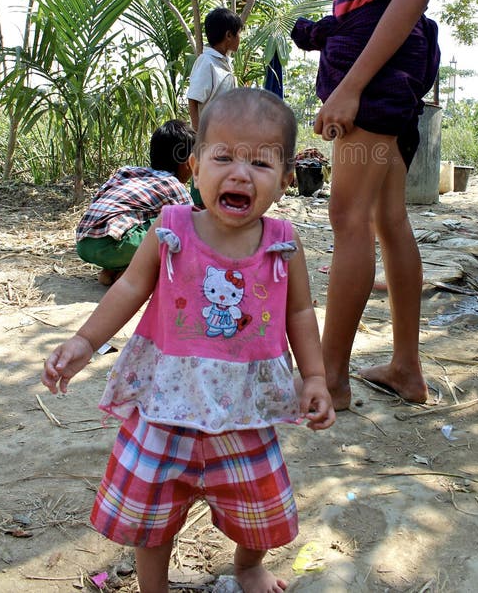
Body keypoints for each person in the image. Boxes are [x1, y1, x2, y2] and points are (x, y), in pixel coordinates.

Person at [42, 88, 335, 593]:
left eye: (260, 163)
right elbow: (130, 288)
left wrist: (314, 376)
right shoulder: (171, 228)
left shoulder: (283, 244)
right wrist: (85, 342)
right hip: (165, 407)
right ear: (195, 168)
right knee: (151, 515)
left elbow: (300, 313)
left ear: (287, 179)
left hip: (244, 411)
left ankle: (248, 566)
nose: (240, 174)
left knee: (257, 509)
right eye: (223, 158)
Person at [291, 0, 458, 409]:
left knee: (348, 216)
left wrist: (352, 86)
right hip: (370, 52)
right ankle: (406, 368)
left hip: (379, 59)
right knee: (387, 217)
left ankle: (331, 377)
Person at [76, 120, 194, 286]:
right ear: (188, 164)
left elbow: (99, 199)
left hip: (84, 243)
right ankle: (130, 274)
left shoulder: (128, 171)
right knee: (176, 224)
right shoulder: (173, 185)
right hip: (114, 245)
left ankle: (112, 269)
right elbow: (192, 226)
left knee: (142, 219)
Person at [186, 7, 243, 132]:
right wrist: (199, 136)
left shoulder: (224, 63)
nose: (240, 37)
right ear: (229, 35)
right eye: (239, 33)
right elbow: (193, 99)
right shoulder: (206, 62)